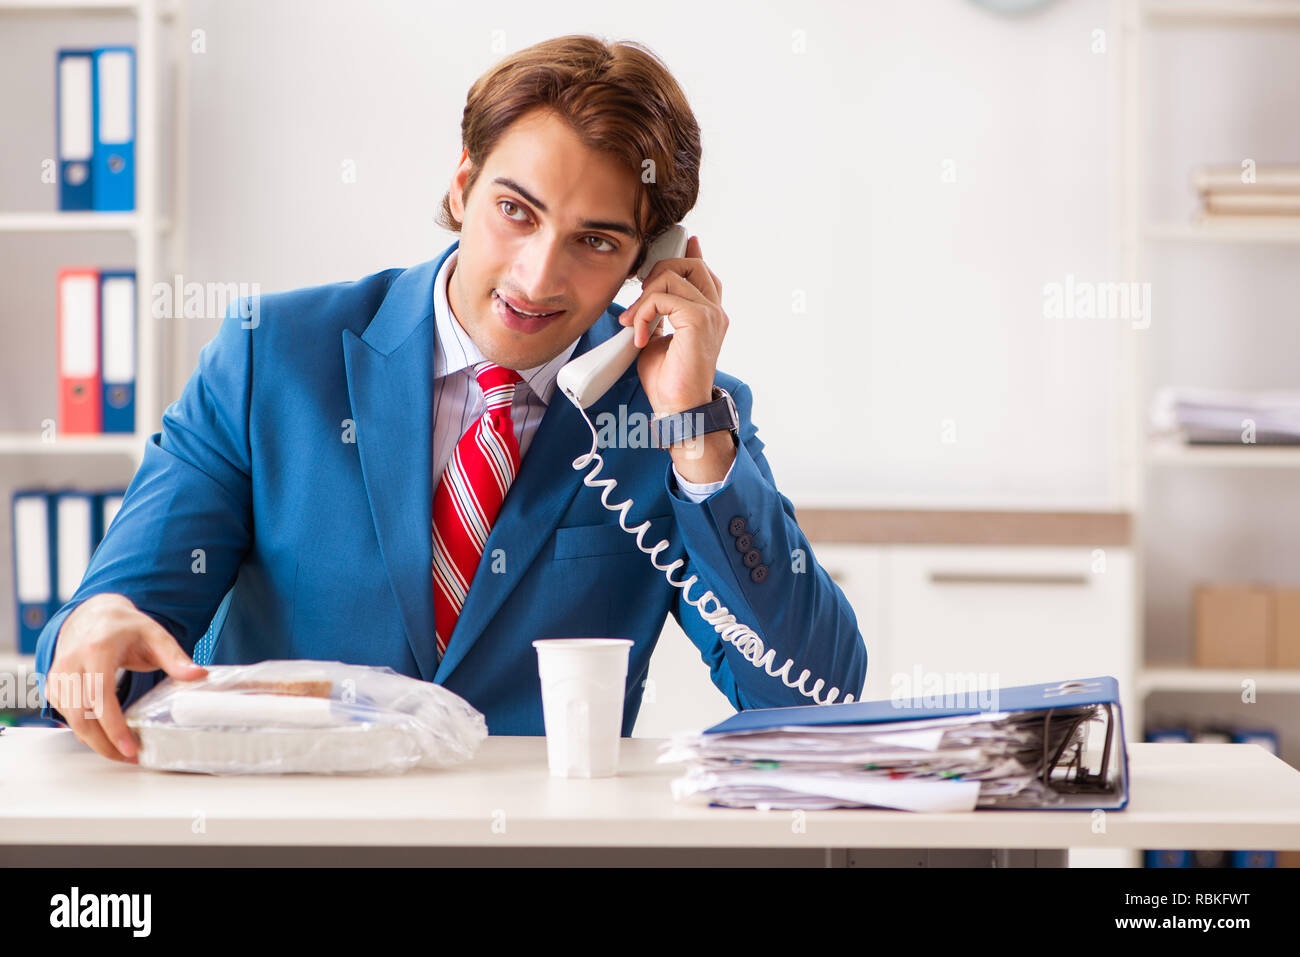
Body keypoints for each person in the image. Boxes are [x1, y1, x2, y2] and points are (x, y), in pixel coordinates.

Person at [35, 34, 867, 763]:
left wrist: (692, 431)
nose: (538, 277)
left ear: (651, 259)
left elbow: (816, 698)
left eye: (596, 241)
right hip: (285, 835)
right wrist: (91, 638)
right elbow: (112, 638)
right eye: (516, 211)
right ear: (463, 185)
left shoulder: (674, 418)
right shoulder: (273, 356)